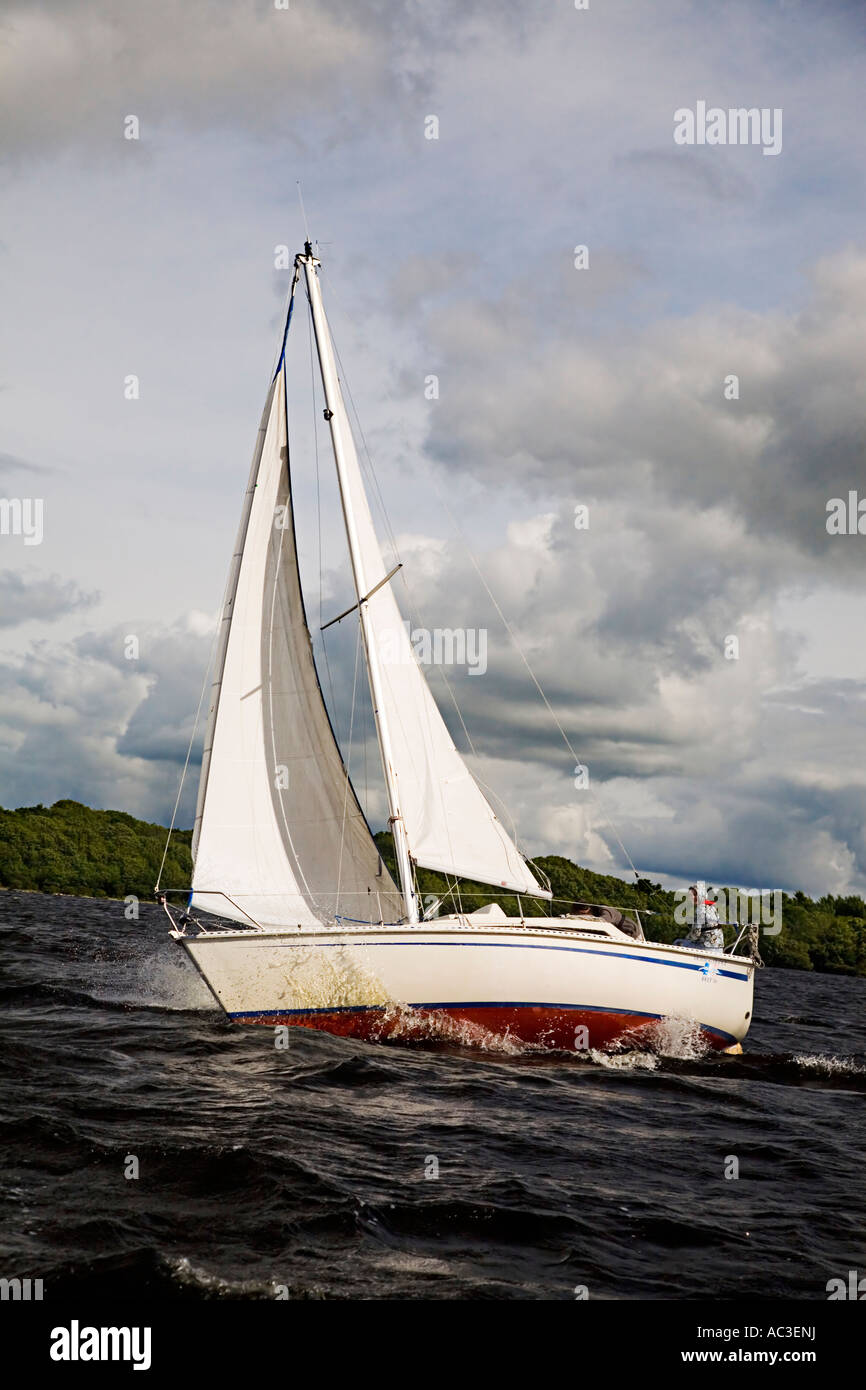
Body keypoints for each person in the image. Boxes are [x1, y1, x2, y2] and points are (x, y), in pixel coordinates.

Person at [675, 881, 725, 952]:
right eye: (692, 895)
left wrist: (687, 938)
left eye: (695, 895)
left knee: (677, 942)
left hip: (706, 948)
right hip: (719, 948)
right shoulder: (712, 907)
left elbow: (696, 934)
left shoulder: (700, 910)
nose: (692, 897)